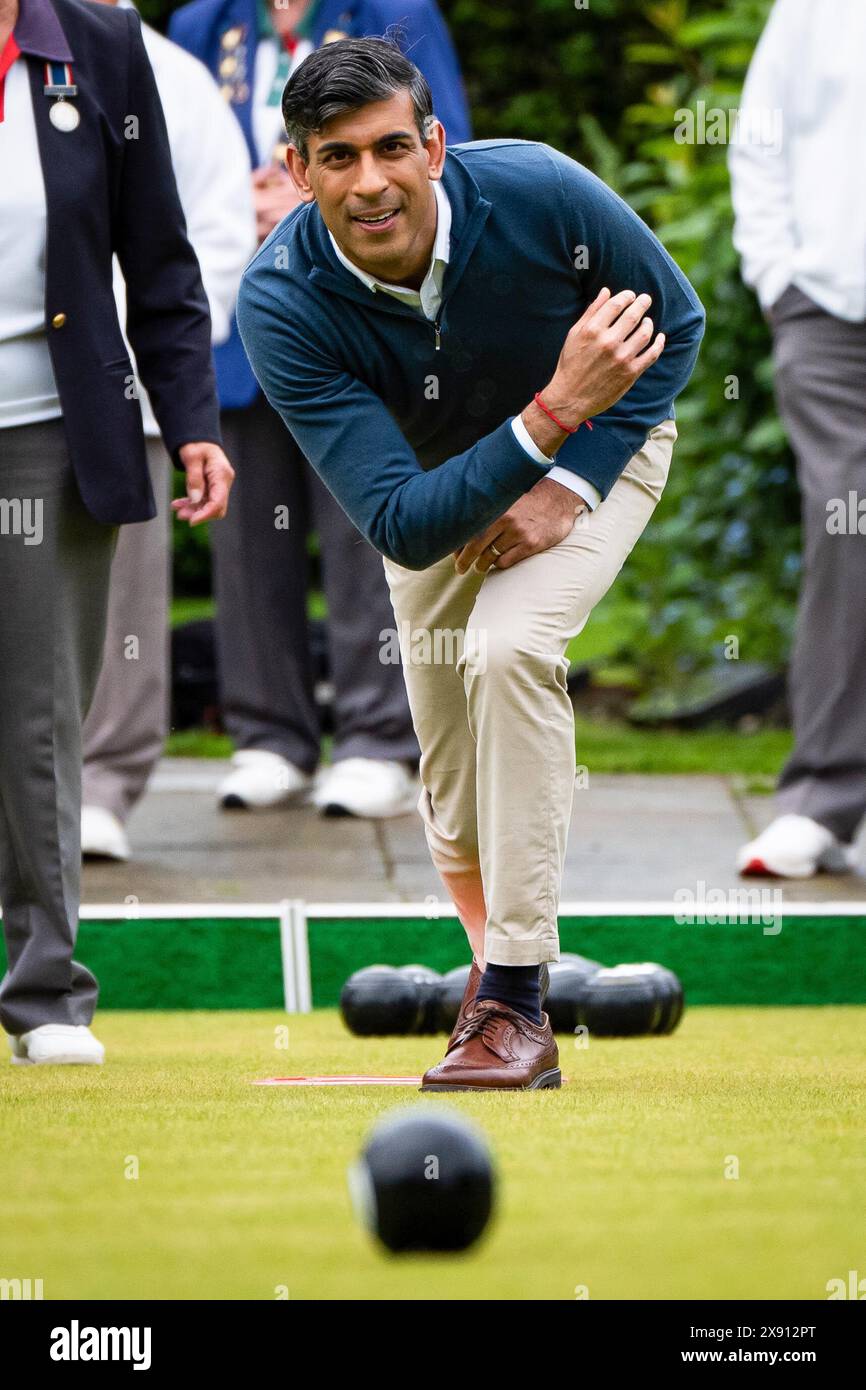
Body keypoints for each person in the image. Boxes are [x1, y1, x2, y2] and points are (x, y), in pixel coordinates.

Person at [237, 38, 704, 1089]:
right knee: (447, 775)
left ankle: (512, 1003)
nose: (370, 182)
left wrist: (568, 474)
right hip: (445, 486)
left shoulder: (538, 188)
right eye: (337, 157)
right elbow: (402, 523)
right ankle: (490, 972)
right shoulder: (279, 302)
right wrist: (541, 416)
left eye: (391, 147)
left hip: (603, 441)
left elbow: (672, 326)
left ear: (434, 144)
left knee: (507, 648)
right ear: (297, 169)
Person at [0, 0, 233, 1065]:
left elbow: (160, 259)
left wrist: (189, 424)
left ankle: (45, 992)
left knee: (38, 716)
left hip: (50, 431)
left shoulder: (97, 46)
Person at [169, 0, 471, 819]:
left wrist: (318, 203)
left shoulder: (394, 12)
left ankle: (378, 737)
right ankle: (269, 734)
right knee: (245, 540)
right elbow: (166, 156)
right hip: (238, 315)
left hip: (360, 313)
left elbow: (444, 155)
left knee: (366, 535)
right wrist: (237, 207)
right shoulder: (203, 22)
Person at [80, 0, 256, 863]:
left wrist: (165, 385)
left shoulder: (174, 80)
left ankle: (103, 784)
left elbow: (207, 245)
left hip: (124, 394)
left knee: (119, 603)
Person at [729, 0, 866, 879]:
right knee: (848, 532)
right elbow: (761, 138)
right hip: (827, 311)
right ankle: (822, 796)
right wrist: (777, 279)